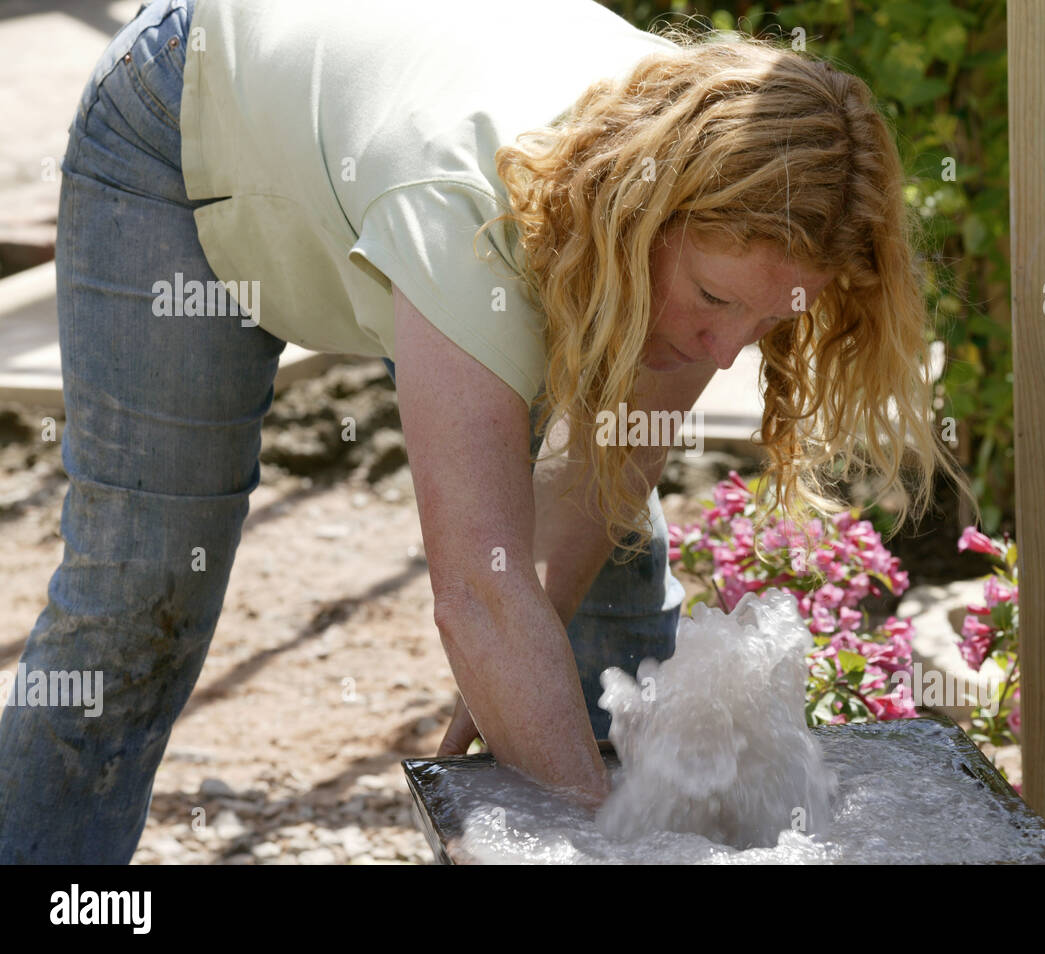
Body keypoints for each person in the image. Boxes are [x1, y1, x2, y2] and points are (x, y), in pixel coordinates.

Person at [0, 0, 966, 864]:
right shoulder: (474, 207)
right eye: (713, 301)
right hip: (185, 125)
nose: (724, 351)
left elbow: (599, 489)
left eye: (766, 323)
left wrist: (520, 669)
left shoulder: (710, 218)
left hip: (380, 146)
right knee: (141, 591)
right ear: (641, 218)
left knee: (616, 600)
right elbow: (479, 595)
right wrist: (595, 842)